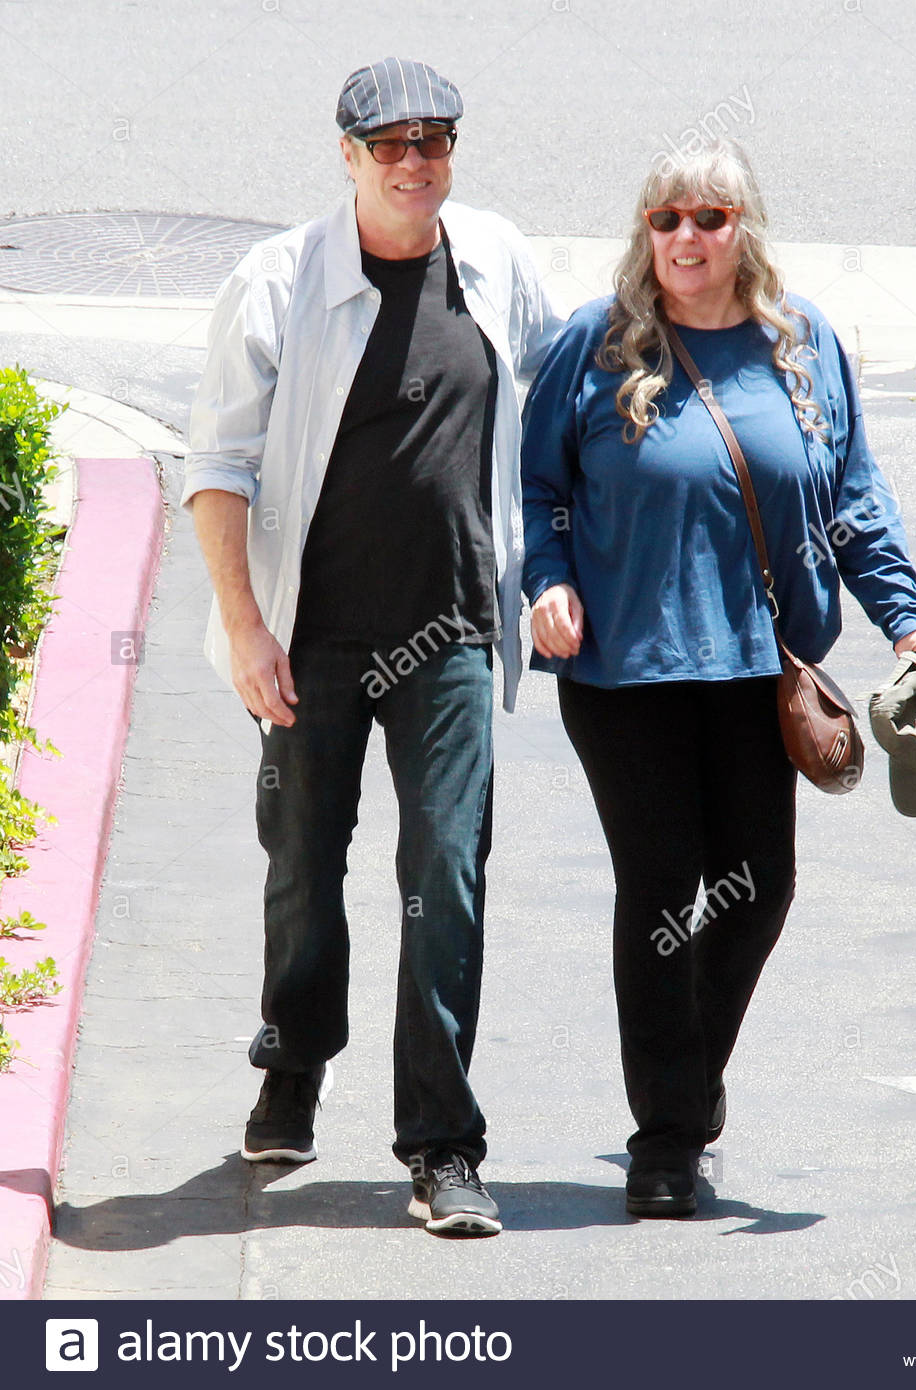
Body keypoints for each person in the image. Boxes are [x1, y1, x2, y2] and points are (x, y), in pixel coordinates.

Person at [520, 140, 916, 1219]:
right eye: (665, 219)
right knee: (664, 883)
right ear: (644, 232)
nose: (685, 239)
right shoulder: (597, 344)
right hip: (625, 668)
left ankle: (689, 1083)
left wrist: (907, 619)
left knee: (756, 885)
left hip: (759, 665)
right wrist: (548, 578)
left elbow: (851, 495)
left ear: (743, 228)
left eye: (708, 217)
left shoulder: (801, 346)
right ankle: (666, 1138)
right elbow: (538, 485)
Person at [182, 57, 560, 1237]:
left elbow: (558, 418)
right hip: (309, 637)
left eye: (433, 141)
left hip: (450, 627)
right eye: (388, 143)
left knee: (443, 876)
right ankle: (295, 1054)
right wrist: (245, 627)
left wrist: (551, 576)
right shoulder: (278, 281)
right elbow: (216, 467)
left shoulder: (495, 261)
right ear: (345, 155)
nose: (414, 162)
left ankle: (442, 1141)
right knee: (302, 862)